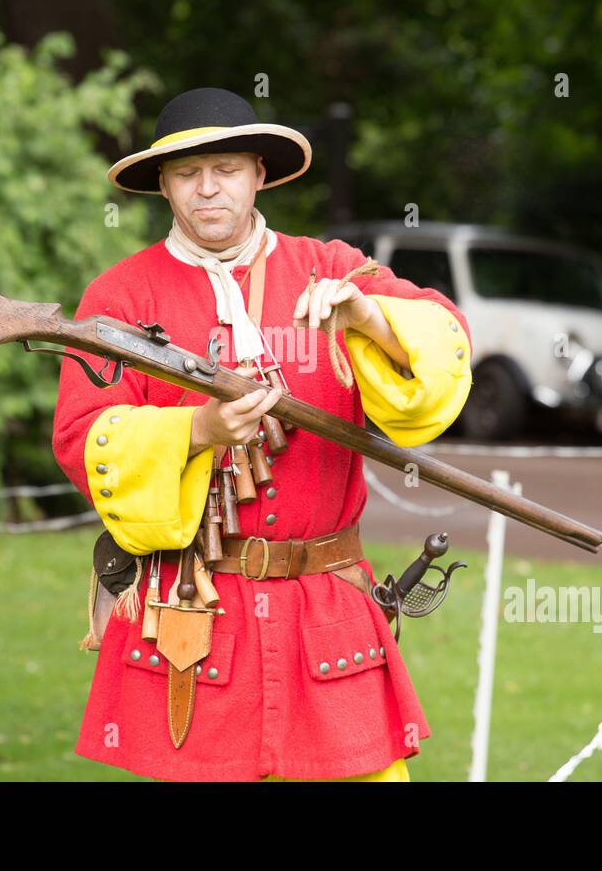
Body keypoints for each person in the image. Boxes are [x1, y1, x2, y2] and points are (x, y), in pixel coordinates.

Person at [52, 87, 472, 781]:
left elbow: (446, 350)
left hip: (328, 614)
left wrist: (369, 320)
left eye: (226, 169)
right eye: (187, 173)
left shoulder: (334, 269)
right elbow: (82, 439)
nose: (208, 188)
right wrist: (197, 428)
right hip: (191, 613)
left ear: (258, 172)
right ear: (162, 184)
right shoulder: (120, 297)